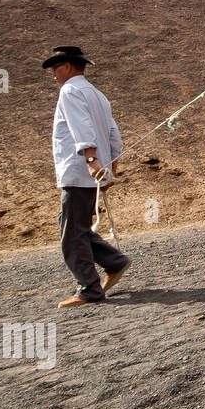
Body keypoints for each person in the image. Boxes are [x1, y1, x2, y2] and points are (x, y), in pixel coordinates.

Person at [45, 46, 130, 307]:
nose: (54, 73)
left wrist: (93, 162)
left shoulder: (69, 91)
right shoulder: (97, 94)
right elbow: (113, 133)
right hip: (91, 172)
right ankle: (114, 261)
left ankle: (89, 289)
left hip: (79, 171)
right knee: (72, 225)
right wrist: (110, 168)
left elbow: (80, 128)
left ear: (69, 66)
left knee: (72, 233)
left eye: (56, 67)